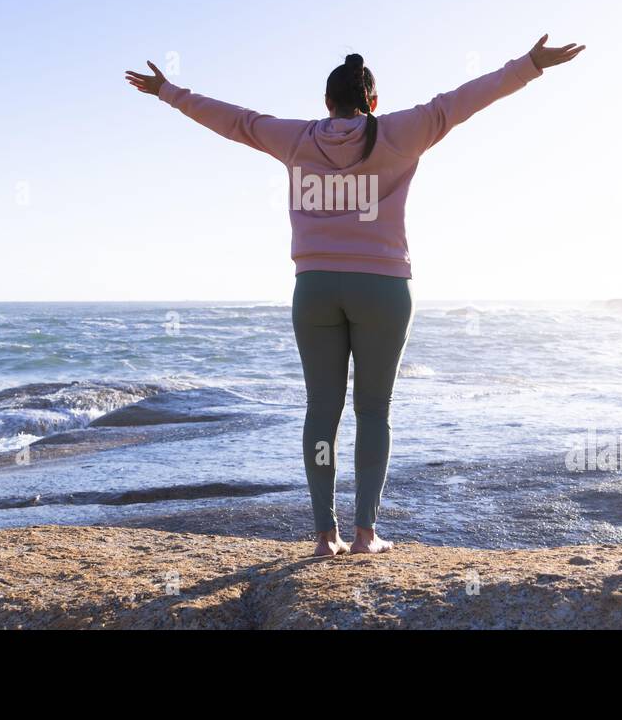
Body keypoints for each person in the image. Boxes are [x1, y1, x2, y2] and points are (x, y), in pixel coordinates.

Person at [125, 34, 585, 556]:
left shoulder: (295, 137)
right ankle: (366, 533)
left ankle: (325, 536)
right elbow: (463, 101)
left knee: (321, 411)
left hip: (315, 286)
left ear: (327, 103)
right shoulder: (401, 130)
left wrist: (168, 92)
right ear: (372, 101)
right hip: (383, 287)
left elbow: (235, 120)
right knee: (374, 411)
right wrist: (528, 65)